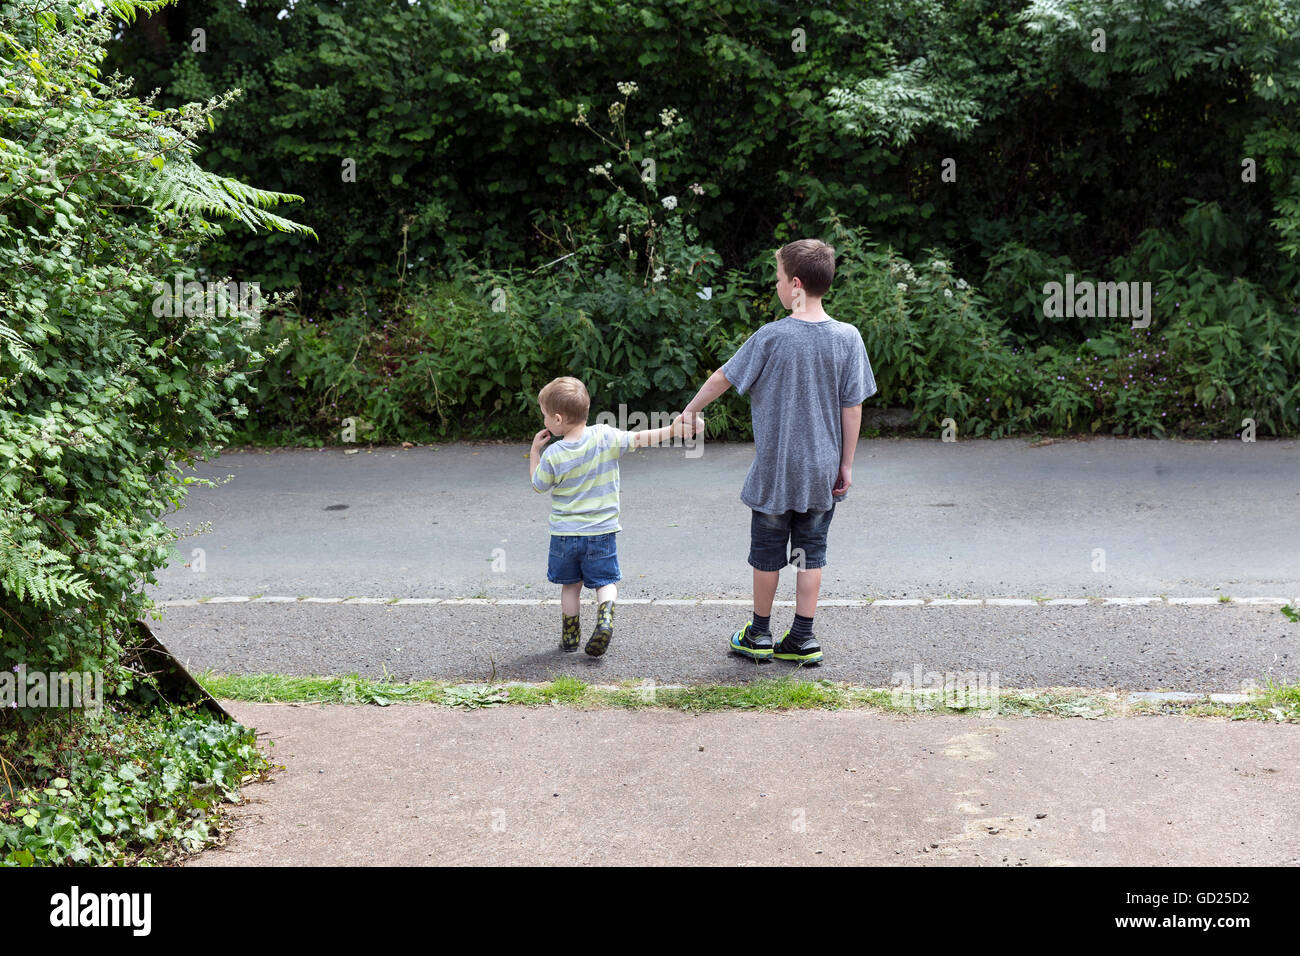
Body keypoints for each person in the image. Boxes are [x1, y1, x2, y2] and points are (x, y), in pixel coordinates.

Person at [680, 238, 876, 664]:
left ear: (797, 284)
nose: (776, 285)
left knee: (767, 557)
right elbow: (853, 407)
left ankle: (759, 635)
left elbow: (723, 378)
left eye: (778, 278)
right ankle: (802, 640)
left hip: (775, 471)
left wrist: (690, 411)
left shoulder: (771, 336)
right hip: (821, 473)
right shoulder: (848, 337)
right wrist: (845, 464)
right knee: (812, 554)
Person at [530, 376, 699, 656]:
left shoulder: (554, 454)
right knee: (605, 582)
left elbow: (538, 484)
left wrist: (535, 451)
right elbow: (639, 439)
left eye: (545, 416)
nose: (545, 421)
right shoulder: (605, 436)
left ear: (558, 419)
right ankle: (605, 619)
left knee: (570, 587)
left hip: (565, 535)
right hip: (601, 532)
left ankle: (570, 638)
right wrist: (671, 428)